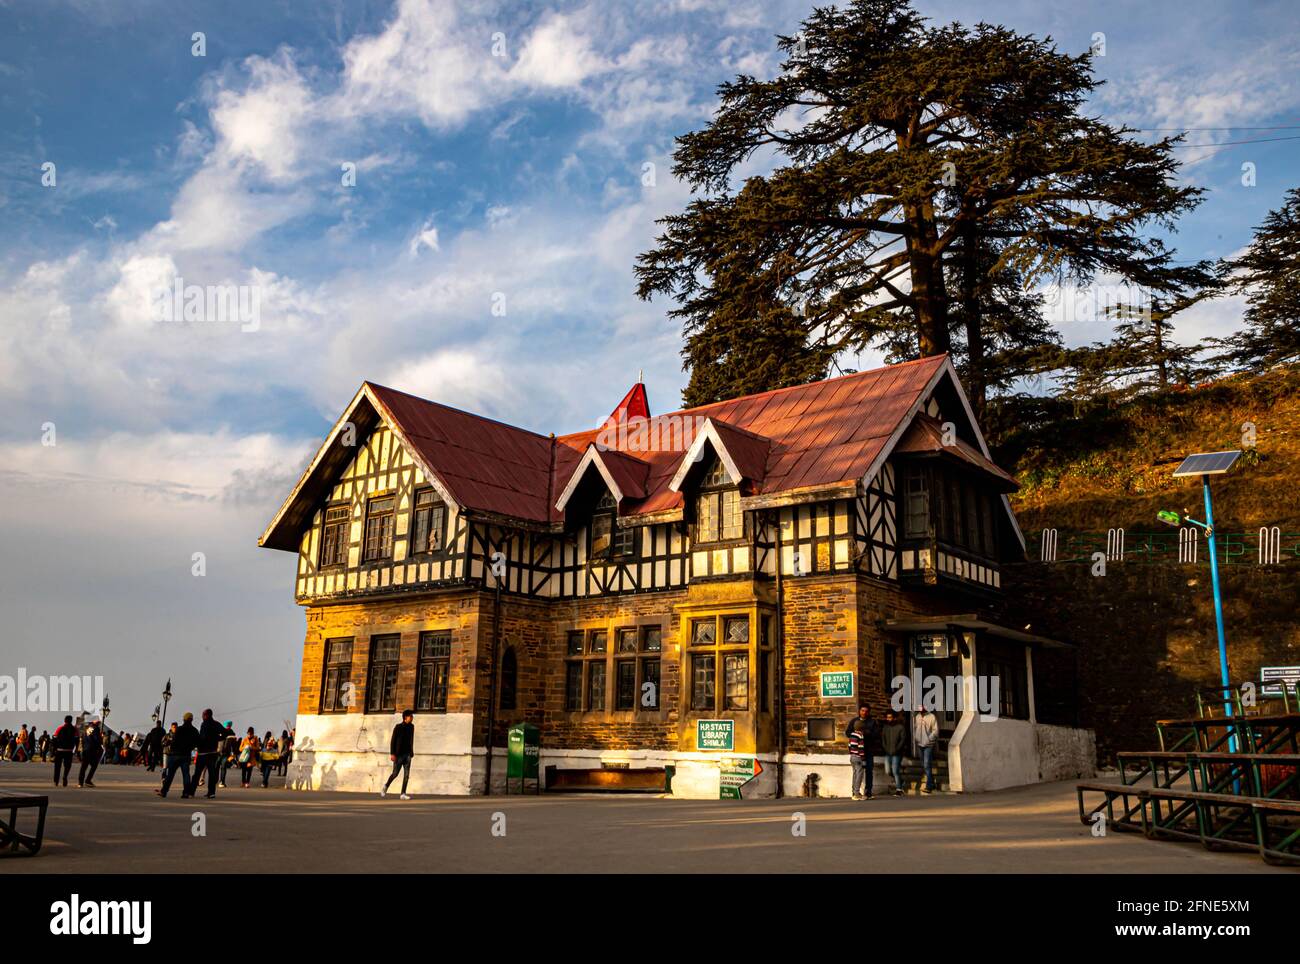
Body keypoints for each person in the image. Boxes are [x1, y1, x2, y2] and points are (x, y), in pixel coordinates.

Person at [158, 712, 199, 798]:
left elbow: (174, 741)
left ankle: (164, 791)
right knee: (186, 774)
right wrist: (190, 748)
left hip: (175, 754)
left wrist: (172, 749)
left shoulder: (179, 729)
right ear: (191, 720)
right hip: (186, 755)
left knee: (170, 774)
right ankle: (186, 793)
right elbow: (196, 743)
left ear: (184, 719)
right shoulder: (195, 731)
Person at [845, 704, 880, 800]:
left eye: (866, 711)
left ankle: (868, 792)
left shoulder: (872, 722)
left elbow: (876, 734)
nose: (864, 712)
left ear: (868, 712)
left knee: (869, 771)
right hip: (857, 752)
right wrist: (856, 734)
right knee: (856, 772)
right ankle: (855, 792)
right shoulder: (854, 721)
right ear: (859, 711)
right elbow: (847, 733)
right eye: (862, 710)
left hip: (868, 750)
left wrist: (865, 733)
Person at [381, 709, 415, 799]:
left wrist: (411, 751)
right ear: (405, 717)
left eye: (412, 716)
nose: (412, 718)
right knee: (395, 774)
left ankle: (403, 794)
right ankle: (386, 786)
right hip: (399, 754)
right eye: (410, 716)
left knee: (406, 775)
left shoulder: (412, 727)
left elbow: (411, 740)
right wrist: (392, 753)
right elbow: (393, 741)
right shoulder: (398, 727)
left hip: (407, 754)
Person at [191, 709, 224, 799]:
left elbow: (202, 737)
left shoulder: (204, 724)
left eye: (203, 715)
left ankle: (191, 791)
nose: (202, 716)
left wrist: (198, 744)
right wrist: (218, 738)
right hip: (213, 753)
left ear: (206, 715)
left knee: (197, 773)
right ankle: (211, 792)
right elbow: (225, 733)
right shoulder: (217, 724)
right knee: (212, 773)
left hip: (203, 753)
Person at [881, 709, 908, 796]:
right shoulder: (885, 727)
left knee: (896, 771)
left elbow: (903, 740)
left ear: (895, 718)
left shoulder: (900, 727)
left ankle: (899, 789)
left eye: (890, 717)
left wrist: (897, 749)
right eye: (887, 717)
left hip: (897, 753)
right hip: (888, 752)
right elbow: (883, 739)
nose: (889, 719)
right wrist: (885, 748)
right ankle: (901, 781)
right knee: (888, 771)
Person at [913, 703, 940, 794]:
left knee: (926, 764)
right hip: (920, 743)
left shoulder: (932, 716)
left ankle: (929, 786)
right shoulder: (917, 716)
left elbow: (935, 730)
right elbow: (915, 728)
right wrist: (916, 738)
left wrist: (929, 739)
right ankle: (932, 783)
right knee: (924, 764)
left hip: (928, 744)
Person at [52, 716, 78, 786]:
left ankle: (56, 781)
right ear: (71, 720)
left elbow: (54, 739)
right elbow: (77, 740)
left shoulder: (60, 728)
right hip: (69, 750)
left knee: (57, 766)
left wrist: (54, 750)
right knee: (67, 766)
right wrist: (76, 750)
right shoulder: (74, 729)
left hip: (59, 750)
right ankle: (65, 777)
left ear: (64, 720)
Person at [78, 721, 104, 787]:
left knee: (84, 766)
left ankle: (80, 783)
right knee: (94, 765)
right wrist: (101, 739)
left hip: (85, 749)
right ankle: (88, 780)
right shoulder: (96, 729)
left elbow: (83, 739)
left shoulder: (87, 729)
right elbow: (97, 740)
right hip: (93, 750)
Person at [219, 722, 239, 788]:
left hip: (221, 752)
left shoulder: (225, 733)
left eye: (228, 726)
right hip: (221, 753)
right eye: (227, 726)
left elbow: (234, 745)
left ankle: (221, 781)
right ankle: (221, 782)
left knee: (222, 767)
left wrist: (235, 752)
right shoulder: (231, 734)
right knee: (222, 767)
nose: (228, 727)